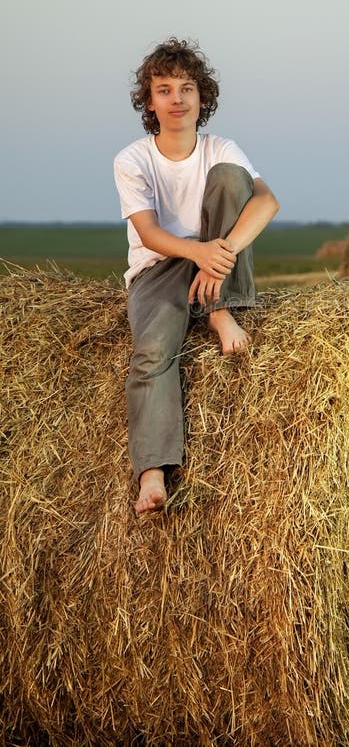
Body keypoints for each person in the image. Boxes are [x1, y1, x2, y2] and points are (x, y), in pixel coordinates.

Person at [113, 38, 280, 514]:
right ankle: (152, 472)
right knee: (151, 351)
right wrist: (199, 253)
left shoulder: (220, 148)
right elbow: (147, 232)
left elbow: (266, 201)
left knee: (232, 180)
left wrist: (220, 252)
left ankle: (220, 310)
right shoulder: (132, 160)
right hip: (159, 267)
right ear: (149, 101)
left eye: (187, 88)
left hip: (215, 251)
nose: (178, 99)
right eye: (164, 90)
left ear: (202, 98)